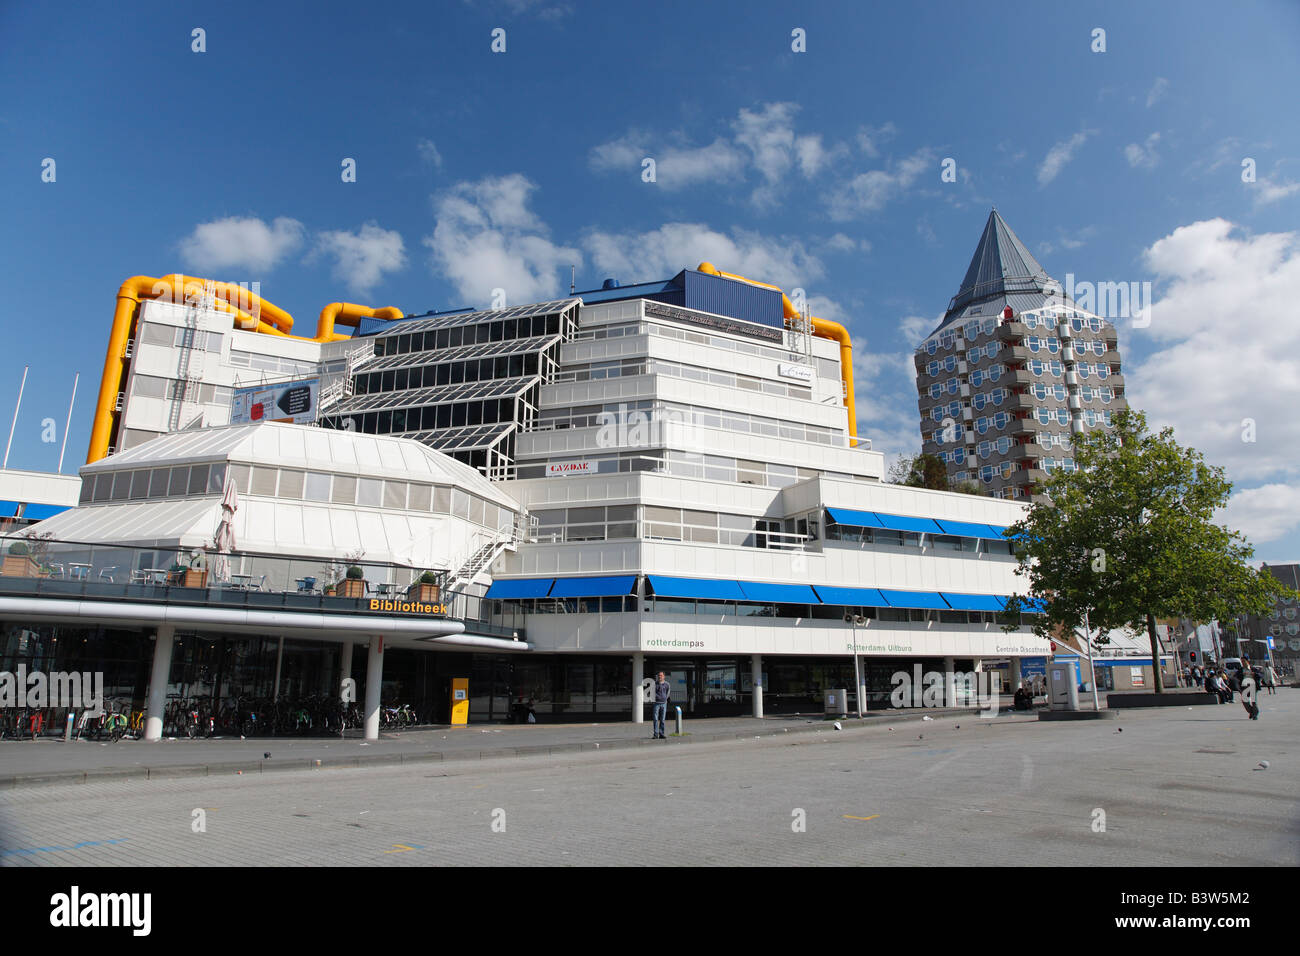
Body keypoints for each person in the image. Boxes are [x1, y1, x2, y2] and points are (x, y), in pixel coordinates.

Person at [652, 671, 670, 739]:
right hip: (656, 703)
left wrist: (665, 698)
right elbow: (652, 692)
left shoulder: (667, 684)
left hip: (664, 703)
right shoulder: (654, 684)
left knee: (662, 719)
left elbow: (668, 692)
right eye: (659, 675)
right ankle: (656, 734)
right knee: (655, 719)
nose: (660, 677)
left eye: (661, 675)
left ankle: (661, 733)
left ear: (664, 676)